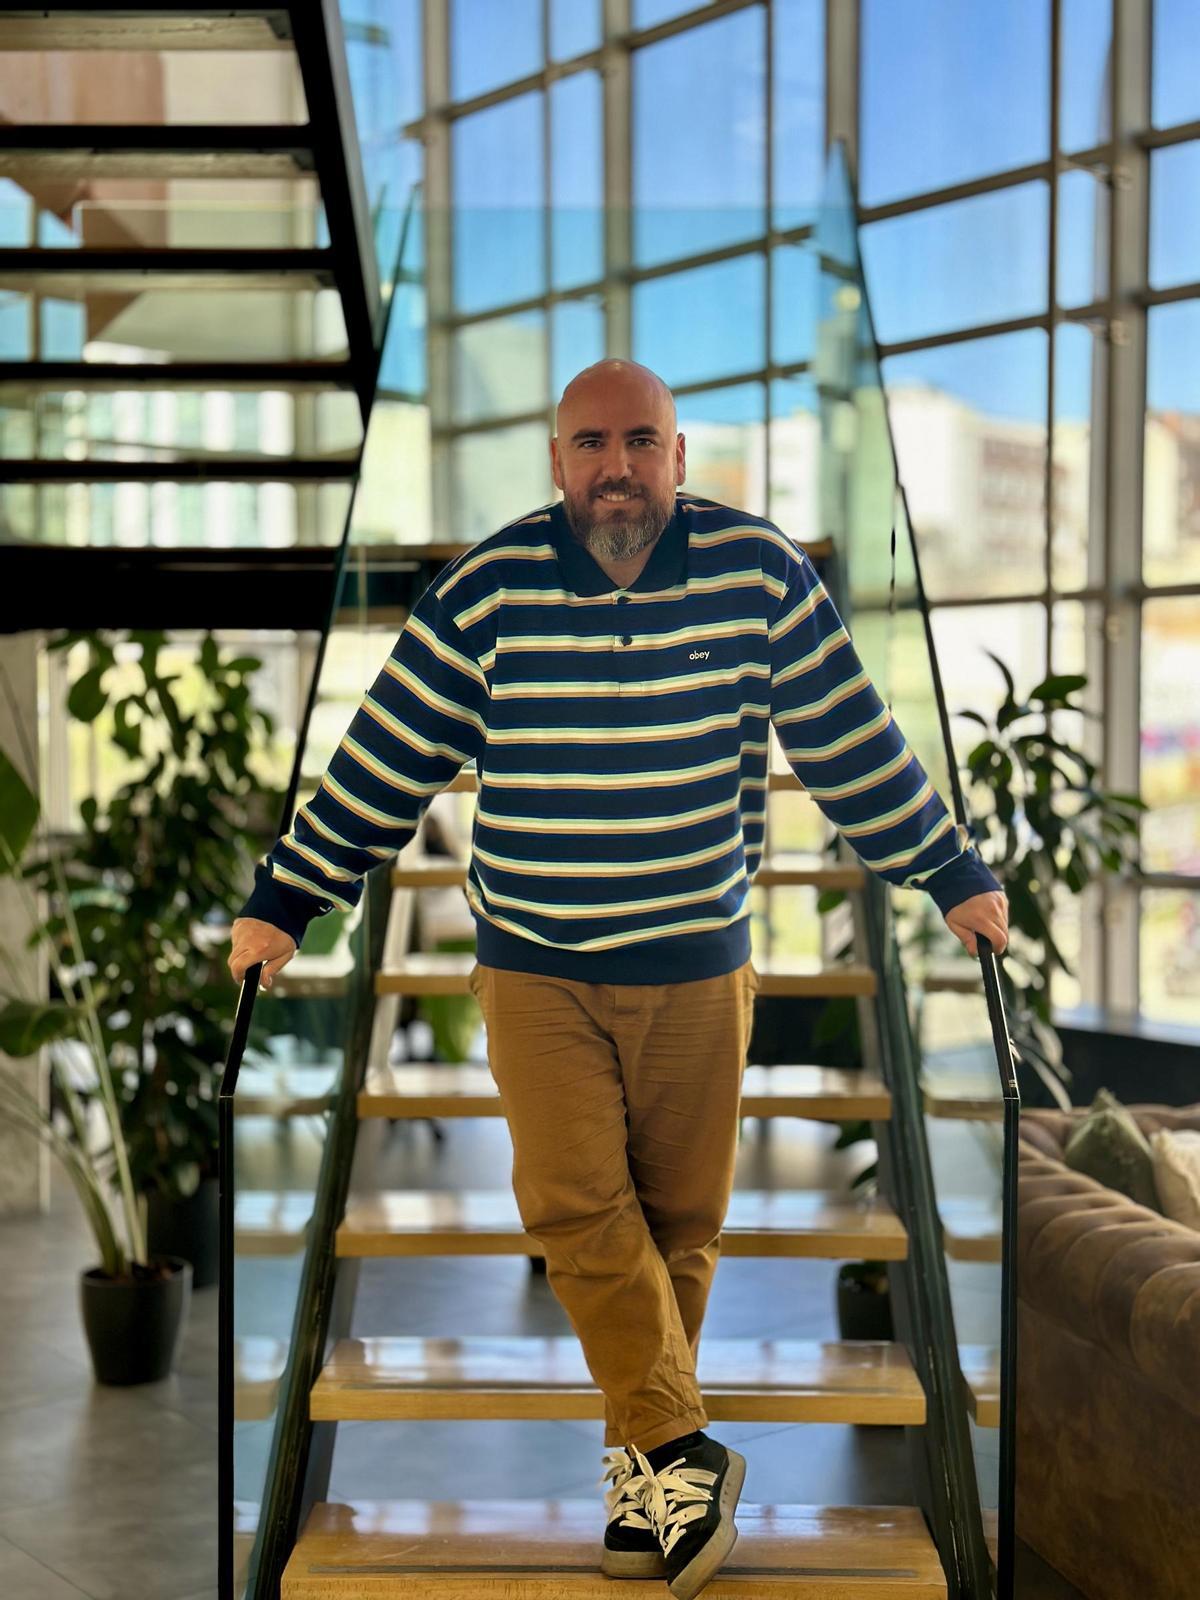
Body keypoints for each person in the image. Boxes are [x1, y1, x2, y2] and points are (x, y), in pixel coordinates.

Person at [228, 358, 1009, 1600]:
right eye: (591, 444)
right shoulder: (486, 590)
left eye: (642, 440)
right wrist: (286, 897)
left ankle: (646, 1491)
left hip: (701, 963)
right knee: (576, 1206)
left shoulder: (761, 575)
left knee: (678, 1229)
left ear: (680, 457)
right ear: (557, 463)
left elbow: (848, 734)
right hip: (538, 965)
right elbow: (384, 754)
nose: (616, 467)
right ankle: (679, 1446)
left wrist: (948, 866)